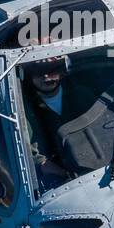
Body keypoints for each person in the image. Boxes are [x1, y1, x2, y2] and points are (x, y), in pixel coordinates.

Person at [21, 56, 73, 188]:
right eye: (38, 71)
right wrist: (66, 174)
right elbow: (34, 158)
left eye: (51, 69)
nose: (45, 76)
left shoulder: (82, 94)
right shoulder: (25, 111)